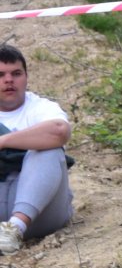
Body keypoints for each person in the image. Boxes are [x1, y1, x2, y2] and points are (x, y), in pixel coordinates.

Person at [0, 45, 74, 255]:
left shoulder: (40, 107)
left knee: (48, 149)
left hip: (42, 213)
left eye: (16, 74)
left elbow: (59, 131)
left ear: (26, 77)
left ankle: (14, 228)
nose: (9, 80)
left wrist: (4, 141)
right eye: (0, 75)